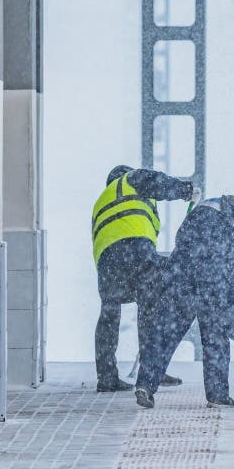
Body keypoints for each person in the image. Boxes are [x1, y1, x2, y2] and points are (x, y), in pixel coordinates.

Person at [134, 183, 234, 408]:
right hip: (217, 287)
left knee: (166, 332)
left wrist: (189, 261)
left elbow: (183, 233)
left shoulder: (212, 204)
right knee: (216, 339)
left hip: (182, 274)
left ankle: (145, 384)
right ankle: (217, 395)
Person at [91, 165, 201, 392]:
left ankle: (107, 378)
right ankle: (152, 371)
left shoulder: (101, 201)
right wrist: (185, 190)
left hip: (107, 263)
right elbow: (156, 182)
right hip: (136, 251)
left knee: (109, 317)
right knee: (151, 305)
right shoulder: (129, 180)